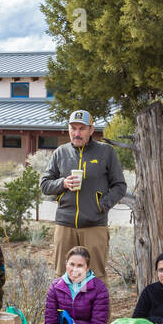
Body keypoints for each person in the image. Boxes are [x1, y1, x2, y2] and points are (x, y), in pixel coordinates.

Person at [38, 109, 127, 280]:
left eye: (82, 128)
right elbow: (45, 185)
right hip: (65, 224)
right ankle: (64, 308)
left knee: (96, 277)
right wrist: (62, 183)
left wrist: (101, 205)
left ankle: (96, 308)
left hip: (95, 225)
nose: (76, 133)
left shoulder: (105, 152)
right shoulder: (60, 153)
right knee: (62, 277)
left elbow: (120, 186)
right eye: (73, 128)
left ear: (91, 130)